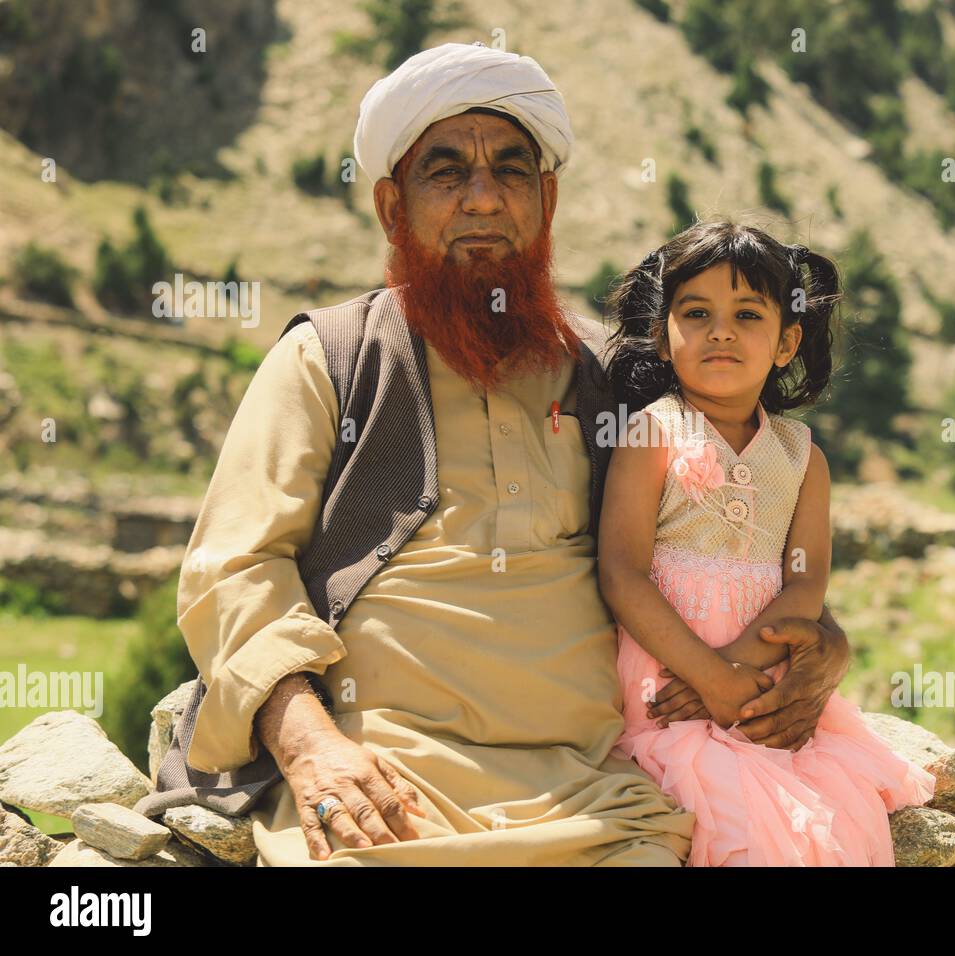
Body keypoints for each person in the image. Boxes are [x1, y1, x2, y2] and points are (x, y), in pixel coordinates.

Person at [175, 42, 855, 866]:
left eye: (510, 169)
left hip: (597, 789)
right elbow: (233, 570)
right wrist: (309, 742)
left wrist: (826, 645)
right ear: (393, 208)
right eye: (446, 173)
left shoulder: (609, 381)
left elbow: (719, 539)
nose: (483, 198)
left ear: (548, 198)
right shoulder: (333, 358)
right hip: (386, 782)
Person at [598, 220, 937, 866]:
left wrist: (736, 678)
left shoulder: (802, 457)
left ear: (786, 343)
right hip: (666, 686)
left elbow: (805, 584)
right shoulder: (649, 434)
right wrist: (707, 675)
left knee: (829, 823)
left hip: (764, 686)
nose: (720, 331)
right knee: (738, 825)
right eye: (695, 313)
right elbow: (622, 573)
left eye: (746, 315)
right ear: (664, 339)